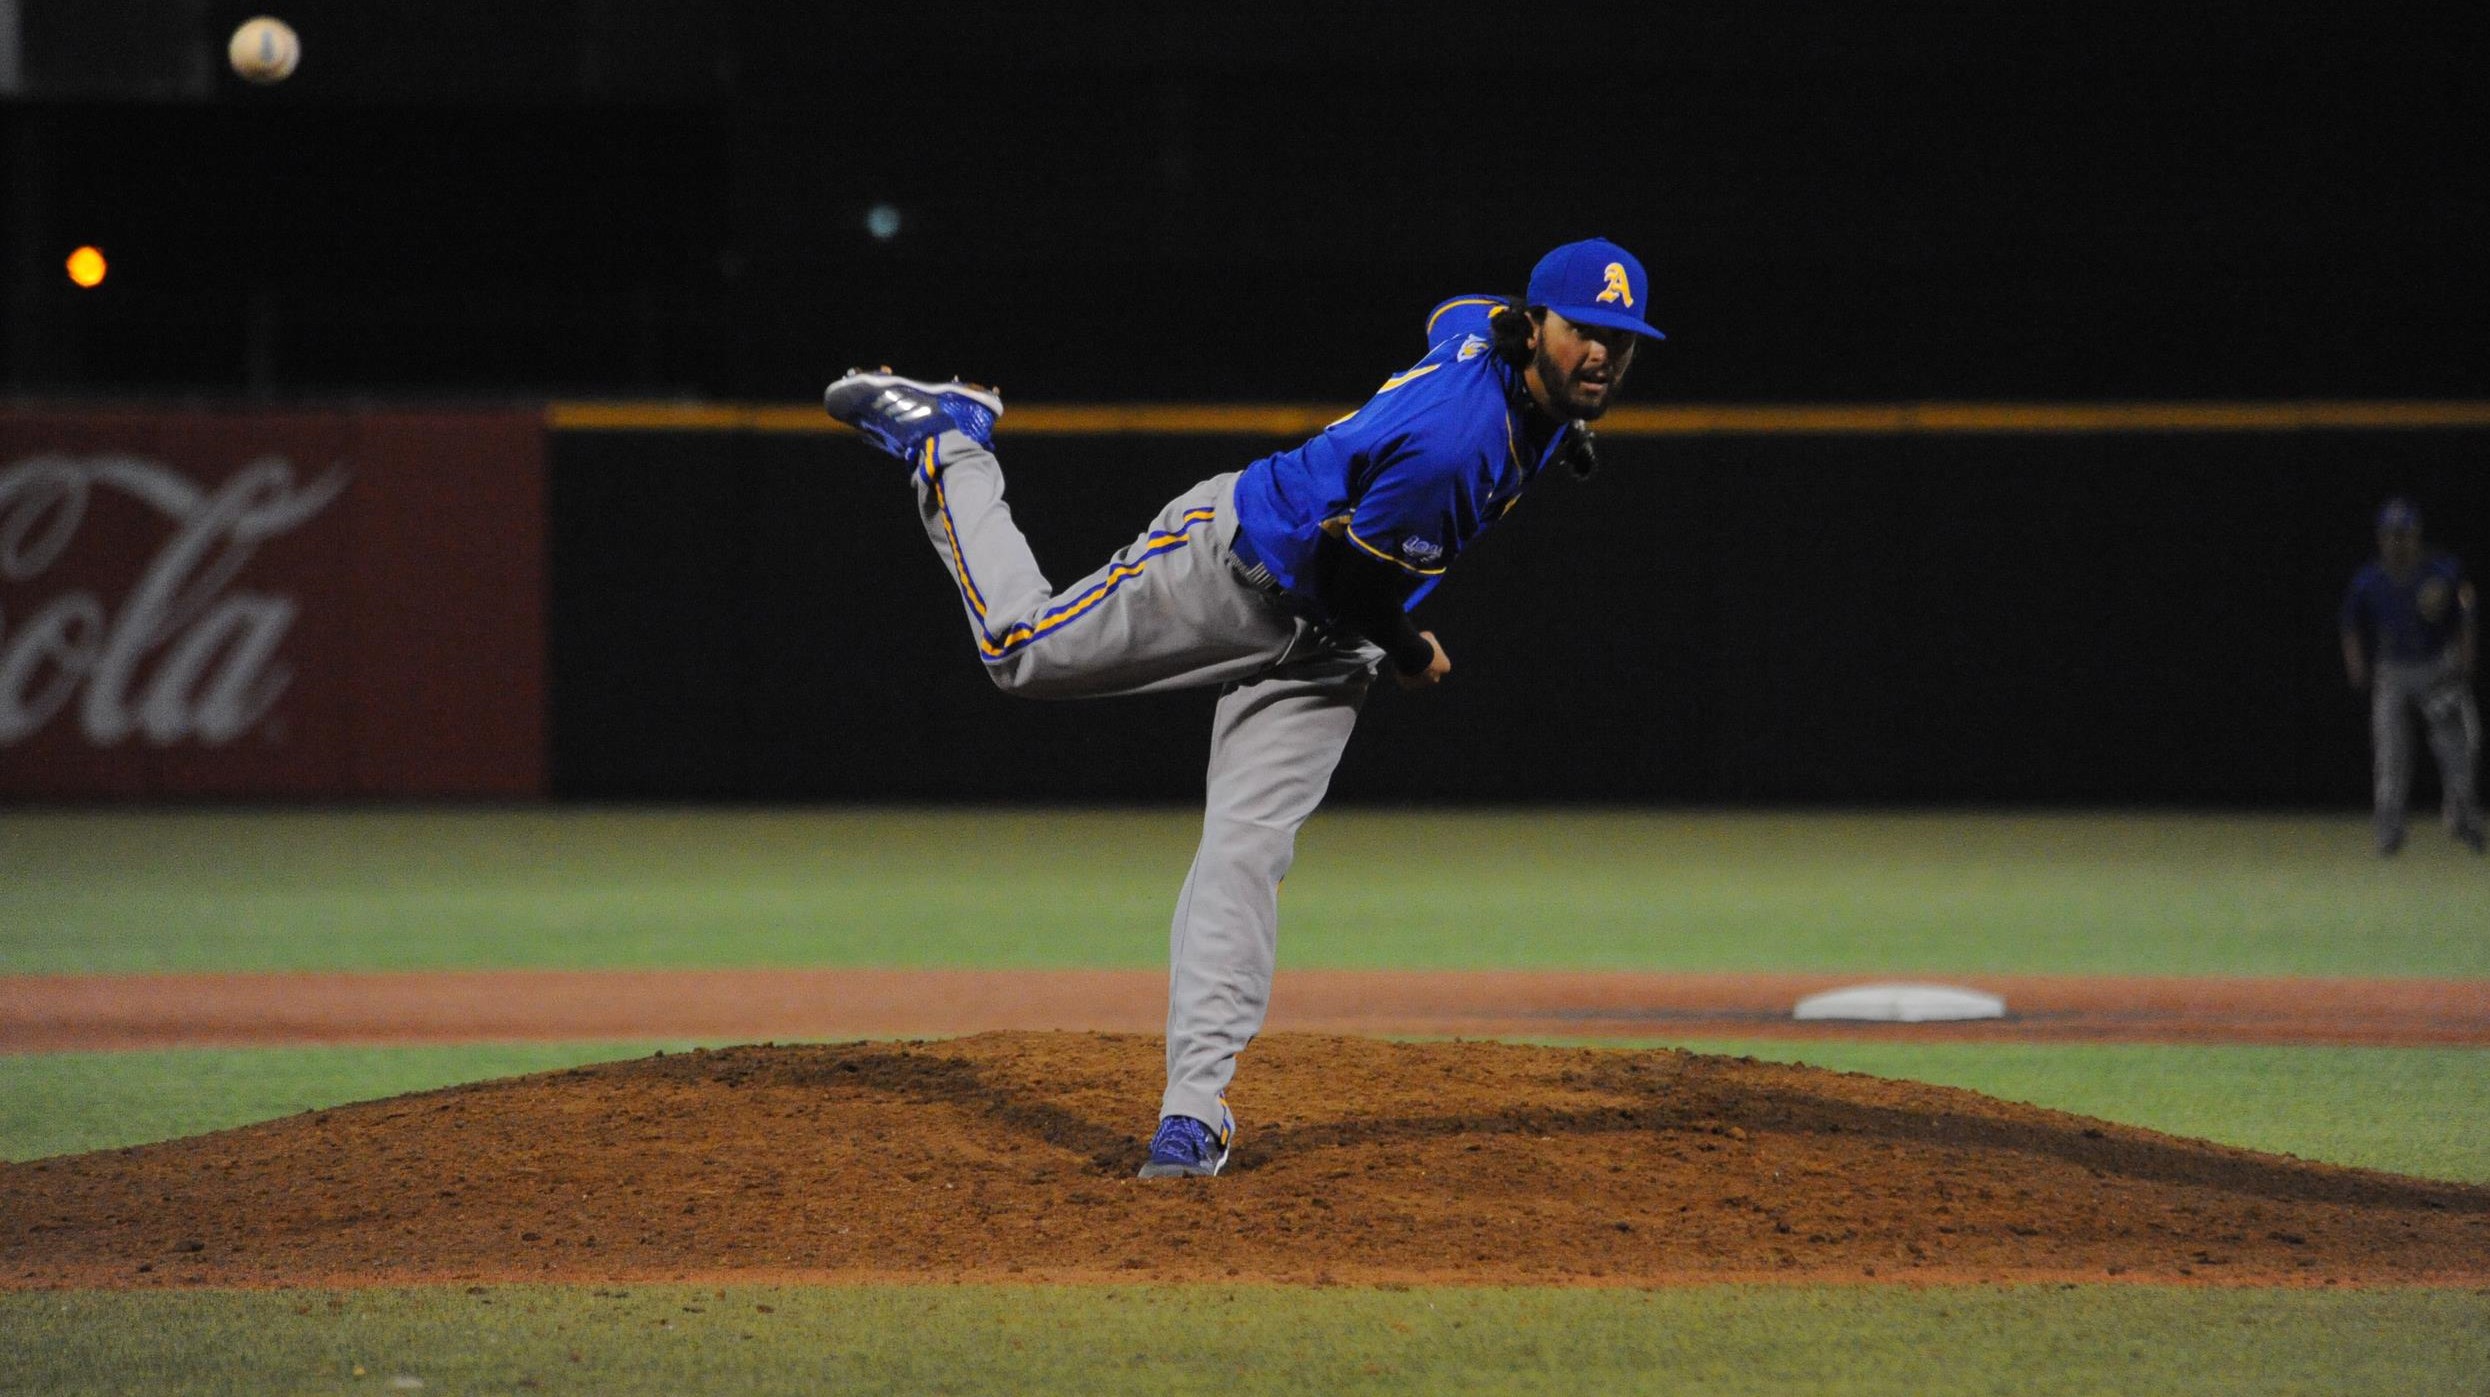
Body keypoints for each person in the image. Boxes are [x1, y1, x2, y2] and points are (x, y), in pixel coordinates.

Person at [823, 238, 1663, 1176]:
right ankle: (950, 438)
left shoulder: (1497, 343)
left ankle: (1192, 1112)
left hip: (1326, 646)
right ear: (1539, 322)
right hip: (1236, 571)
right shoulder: (1456, 442)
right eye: (1585, 331)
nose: (1604, 355)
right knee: (1019, 653)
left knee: (1245, 848)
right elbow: (1353, 582)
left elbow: (1452, 314)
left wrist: (1544, 392)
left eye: (1622, 340)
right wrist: (1417, 650)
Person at [2339, 497, 2482, 855]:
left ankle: (2463, 819)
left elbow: (2466, 612)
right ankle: (2389, 834)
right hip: (2393, 671)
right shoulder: (2369, 579)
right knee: (2390, 756)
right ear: (2380, 538)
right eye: (2391, 535)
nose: (2397, 542)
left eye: (2404, 534)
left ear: (2416, 535)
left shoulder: (2442, 570)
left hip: (2437, 668)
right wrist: (2356, 662)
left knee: (2458, 749)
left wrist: (2465, 656)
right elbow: (2350, 624)